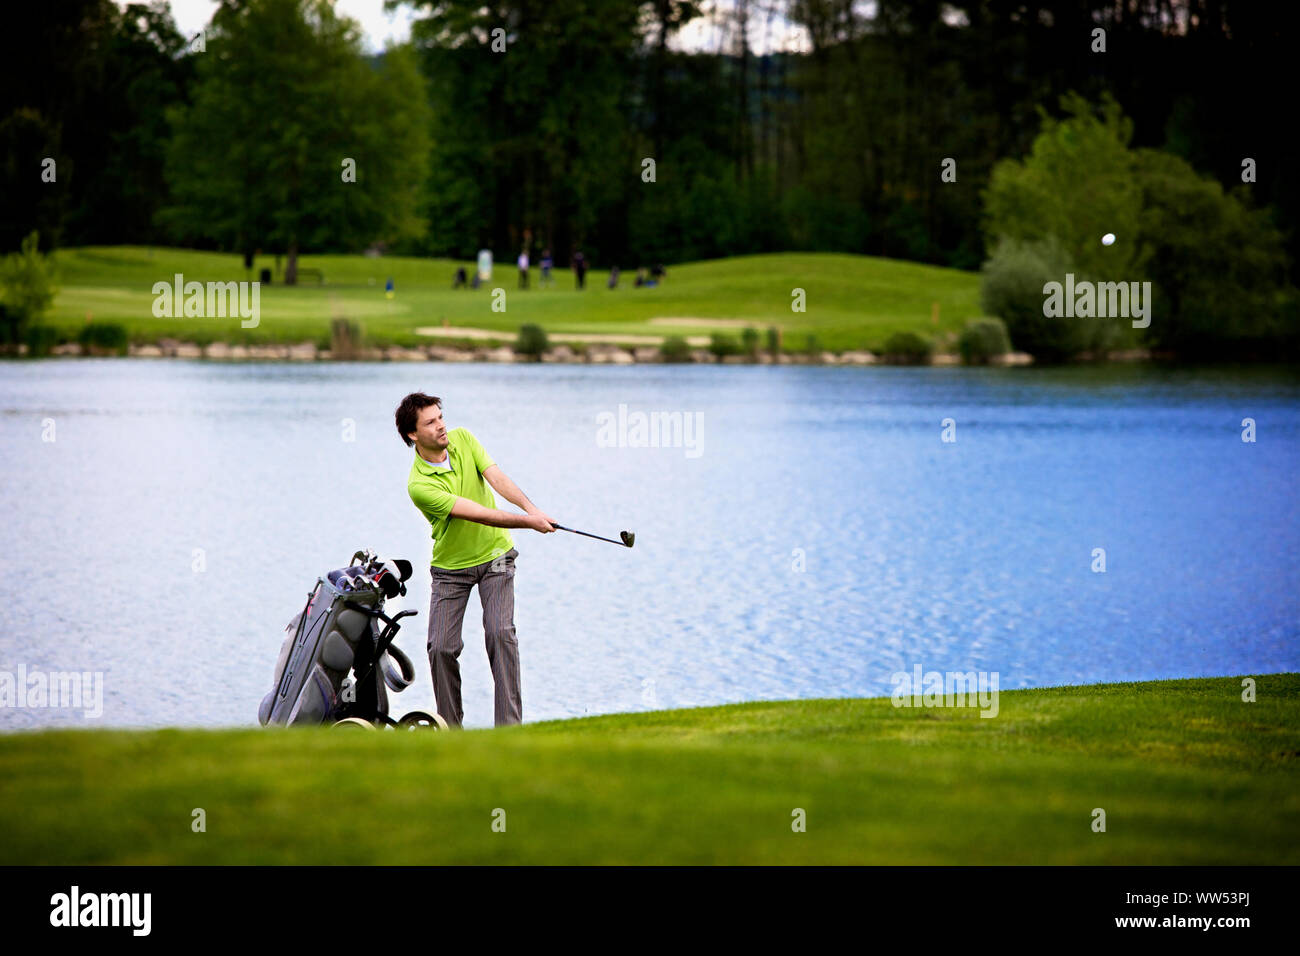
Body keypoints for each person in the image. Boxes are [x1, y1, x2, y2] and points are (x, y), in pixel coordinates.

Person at [397, 393, 556, 728]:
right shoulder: (419, 484)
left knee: (500, 633)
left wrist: (532, 510)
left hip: (496, 558)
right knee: (440, 648)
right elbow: (480, 514)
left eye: (440, 417)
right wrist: (528, 523)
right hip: (451, 571)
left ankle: (509, 730)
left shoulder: (464, 439)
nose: (441, 426)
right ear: (413, 435)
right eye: (430, 422)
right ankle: (450, 732)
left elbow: (497, 478)